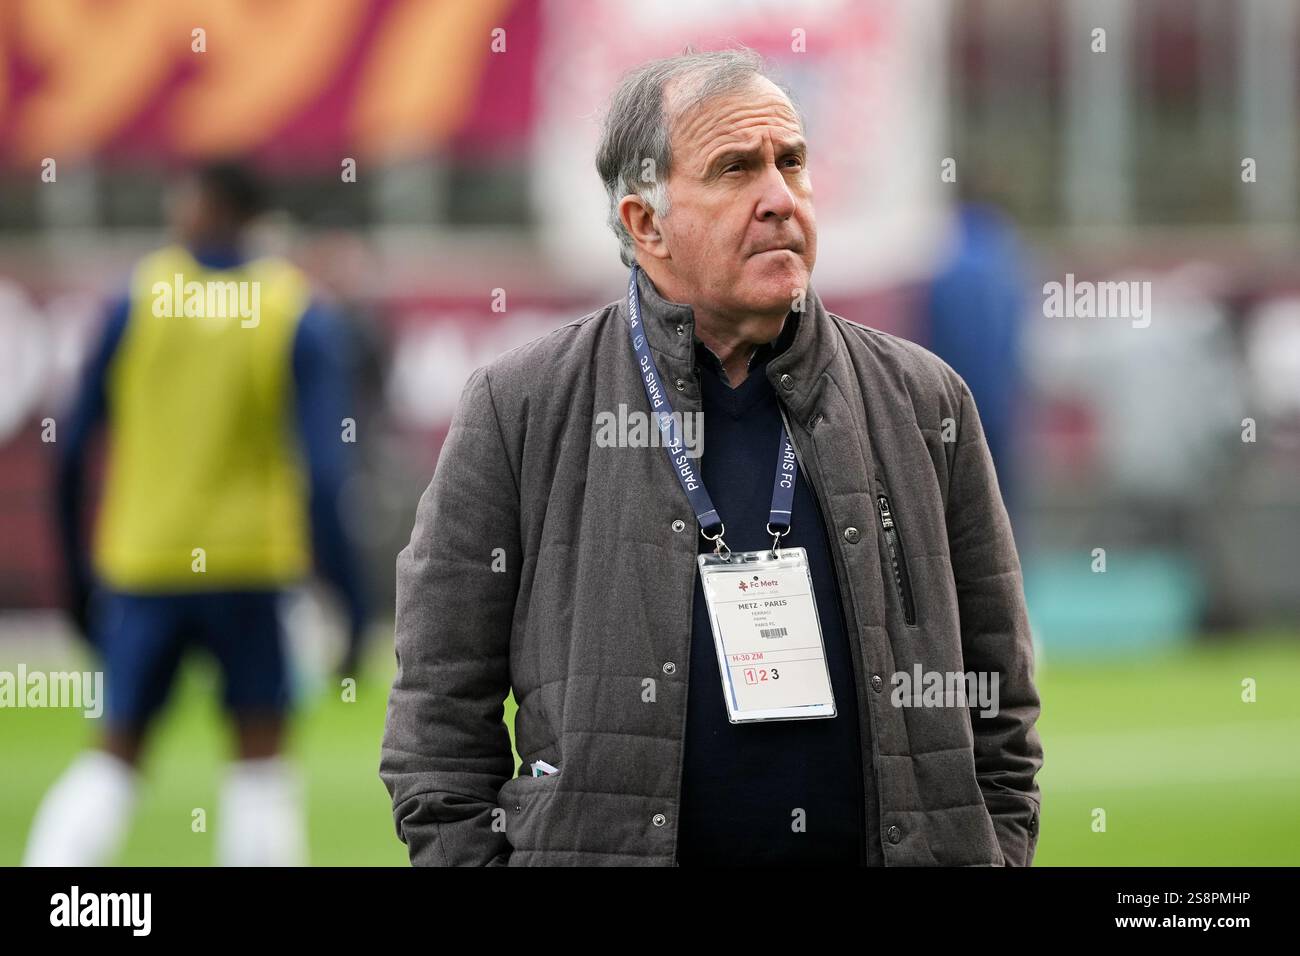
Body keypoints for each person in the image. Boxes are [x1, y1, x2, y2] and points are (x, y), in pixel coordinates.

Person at [381, 47, 1042, 866]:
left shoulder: (924, 402)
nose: (779, 199)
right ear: (645, 223)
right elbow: (437, 711)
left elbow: (1001, 703)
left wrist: (998, 851)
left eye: (791, 163)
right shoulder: (520, 407)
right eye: (735, 169)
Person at [25, 161, 369, 866]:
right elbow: (325, 471)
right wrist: (348, 596)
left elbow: (69, 450)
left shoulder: (138, 296)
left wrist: (75, 581)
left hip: (145, 562)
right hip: (250, 565)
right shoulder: (292, 310)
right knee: (261, 769)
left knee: (116, 754)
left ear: (198, 206)